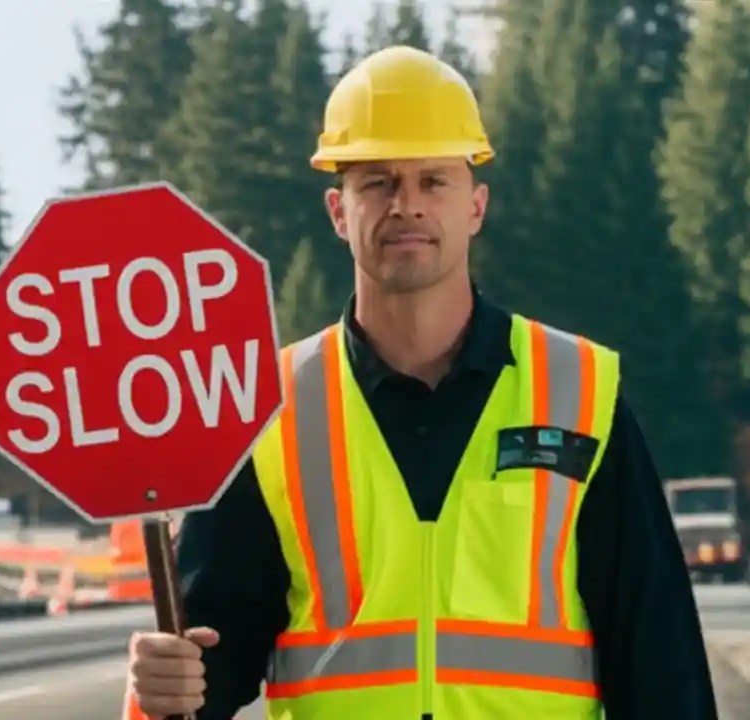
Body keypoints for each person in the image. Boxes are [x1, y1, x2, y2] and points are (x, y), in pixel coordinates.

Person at [128, 45, 718, 720]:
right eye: (377, 181)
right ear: (337, 211)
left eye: (433, 181)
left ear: (476, 205)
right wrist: (172, 679)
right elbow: (211, 659)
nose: (406, 204)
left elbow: (659, 659)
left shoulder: (579, 392)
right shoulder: (268, 411)